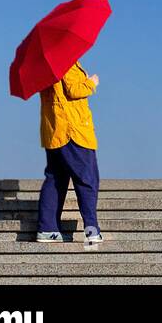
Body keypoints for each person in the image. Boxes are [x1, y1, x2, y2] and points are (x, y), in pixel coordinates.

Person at [35, 61, 103, 244]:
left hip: (54, 131)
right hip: (73, 131)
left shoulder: (44, 66)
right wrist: (91, 82)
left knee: (56, 178)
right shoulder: (66, 63)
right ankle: (91, 229)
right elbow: (73, 90)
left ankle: (47, 228)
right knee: (87, 178)